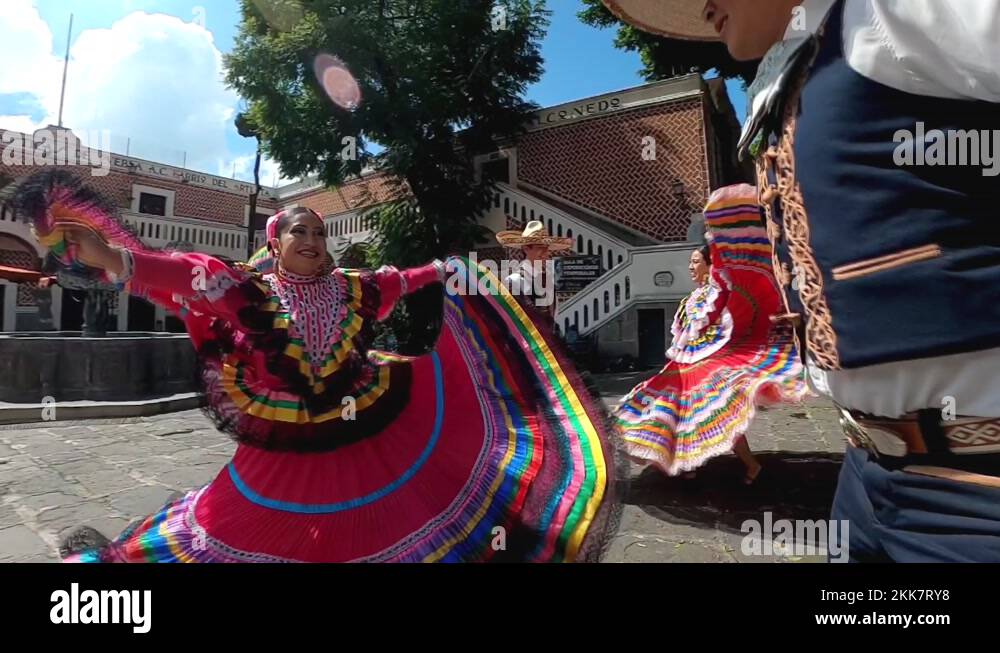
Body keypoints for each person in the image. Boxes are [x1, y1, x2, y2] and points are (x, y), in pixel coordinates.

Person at [15, 170, 621, 563]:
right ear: (275, 241)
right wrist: (110, 255)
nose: (313, 240)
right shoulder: (242, 288)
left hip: (357, 428)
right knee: (237, 533)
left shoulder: (355, 289)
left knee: (383, 523)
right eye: (299, 230)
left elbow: (409, 278)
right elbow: (176, 272)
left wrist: (452, 270)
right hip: (279, 445)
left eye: (321, 232)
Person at [603, 0, 1000, 561]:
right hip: (865, 475)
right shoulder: (796, 73)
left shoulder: (889, 16)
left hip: (977, 489)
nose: (702, 6)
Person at [615, 184, 809, 483]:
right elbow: (683, 336)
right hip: (686, 364)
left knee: (719, 415)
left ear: (709, 266)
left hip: (712, 363)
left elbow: (717, 317)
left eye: (696, 262)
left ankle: (749, 465)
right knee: (676, 413)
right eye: (691, 262)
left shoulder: (718, 292)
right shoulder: (691, 299)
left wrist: (715, 238)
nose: (691, 267)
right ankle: (690, 464)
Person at [496, 220, 573, 324]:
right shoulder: (514, 281)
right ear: (526, 249)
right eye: (540, 248)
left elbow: (554, 317)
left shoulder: (549, 281)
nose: (545, 254)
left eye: (547, 249)